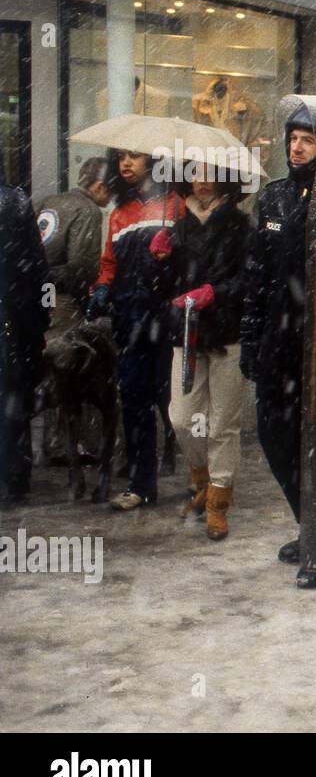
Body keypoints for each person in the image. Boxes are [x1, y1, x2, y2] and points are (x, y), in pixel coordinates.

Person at [240, 94, 316, 588]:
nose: (298, 148)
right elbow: (257, 273)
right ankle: (310, 522)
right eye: (293, 139)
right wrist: (250, 338)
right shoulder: (275, 197)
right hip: (279, 342)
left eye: (308, 140)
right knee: (274, 434)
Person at [151, 160, 253, 541]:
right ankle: (201, 481)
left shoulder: (242, 227)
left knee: (223, 424)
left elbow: (251, 281)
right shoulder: (177, 227)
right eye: (196, 172)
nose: (203, 180)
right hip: (188, 335)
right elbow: (165, 288)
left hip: (228, 336)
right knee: (181, 416)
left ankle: (218, 503)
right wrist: (159, 260)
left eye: (211, 172)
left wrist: (217, 293)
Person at [87, 149, 185, 511]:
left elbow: (190, 263)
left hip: (167, 321)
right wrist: (100, 288)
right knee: (134, 401)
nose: (126, 164)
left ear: (153, 163)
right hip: (130, 322)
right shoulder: (118, 214)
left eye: (135, 158)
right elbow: (108, 264)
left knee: (176, 405)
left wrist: (169, 262)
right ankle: (141, 485)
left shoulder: (177, 207)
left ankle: (199, 478)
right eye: (122, 159)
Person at [1, 180, 52, 506]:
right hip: (12, 318)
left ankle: (15, 472)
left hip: (11, 315)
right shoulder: (16, 201)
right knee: (12, 395)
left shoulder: (15, 202)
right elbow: (37, 266)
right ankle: (15, 475)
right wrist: (38, 319)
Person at [37, 158, 111, 336]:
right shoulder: (88, 209)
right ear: (99, 186)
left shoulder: (48, 202)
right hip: (63, 297)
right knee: (61, 352)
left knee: (40, 346)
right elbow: (81, 265)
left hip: (38, 291)